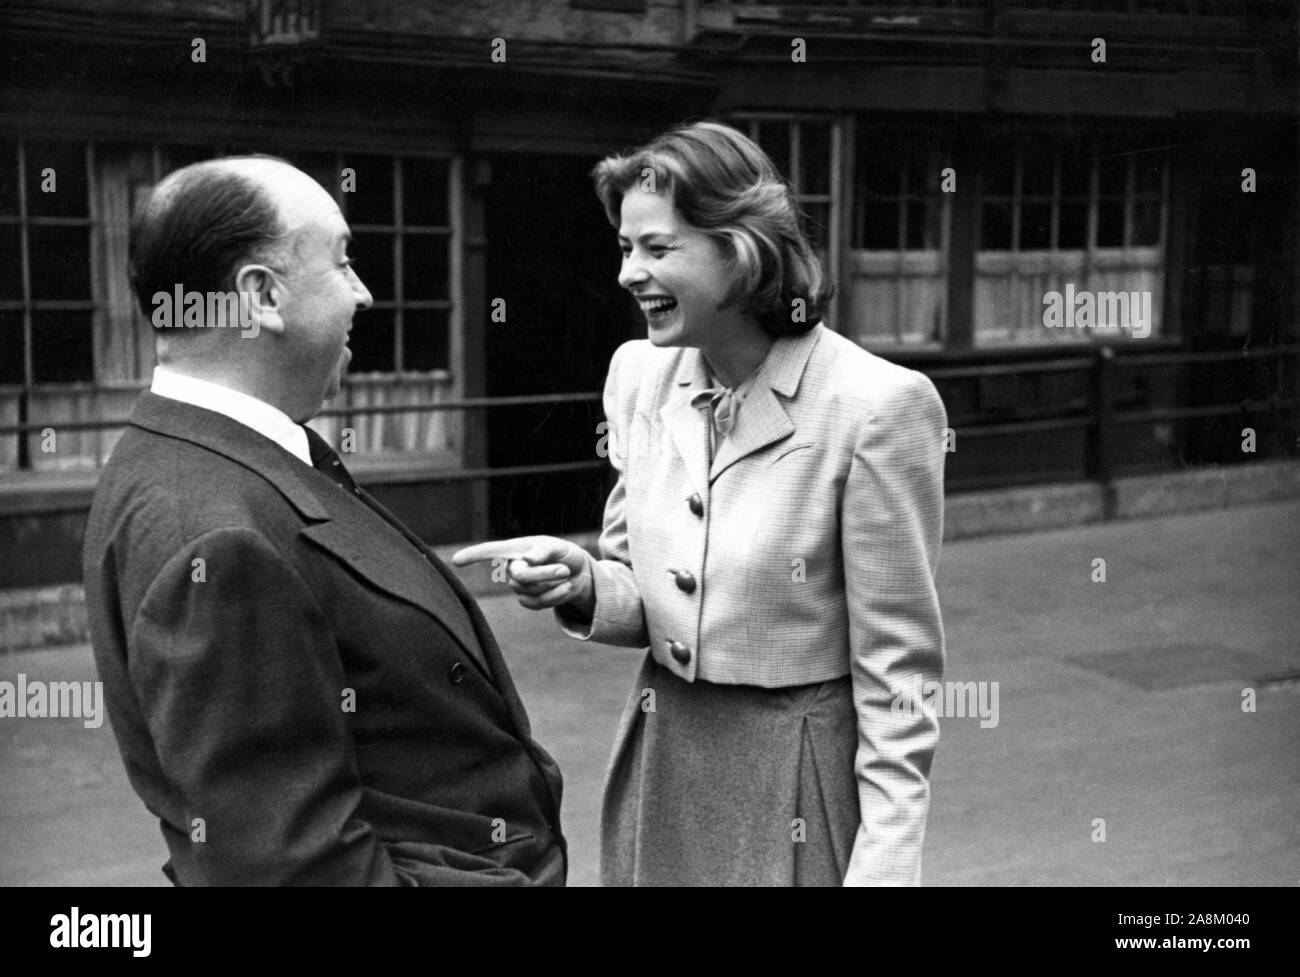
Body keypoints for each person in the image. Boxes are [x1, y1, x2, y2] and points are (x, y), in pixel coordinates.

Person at [454, 121, 946, 886]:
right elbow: (643, 587)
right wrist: (585, 581)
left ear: (741, 248)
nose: (628, 273)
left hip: (797, 774)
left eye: (658, 248)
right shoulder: (638, 377)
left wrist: (884, 864)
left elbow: (897, 671)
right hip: (666, 752)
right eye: (625, 247)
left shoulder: (875, 407)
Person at [83, 156, 565, 885]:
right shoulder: (213, 529)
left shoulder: (225, 455)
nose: (364, 293)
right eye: (343, 262)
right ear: (261, 295)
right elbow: (289, 866)